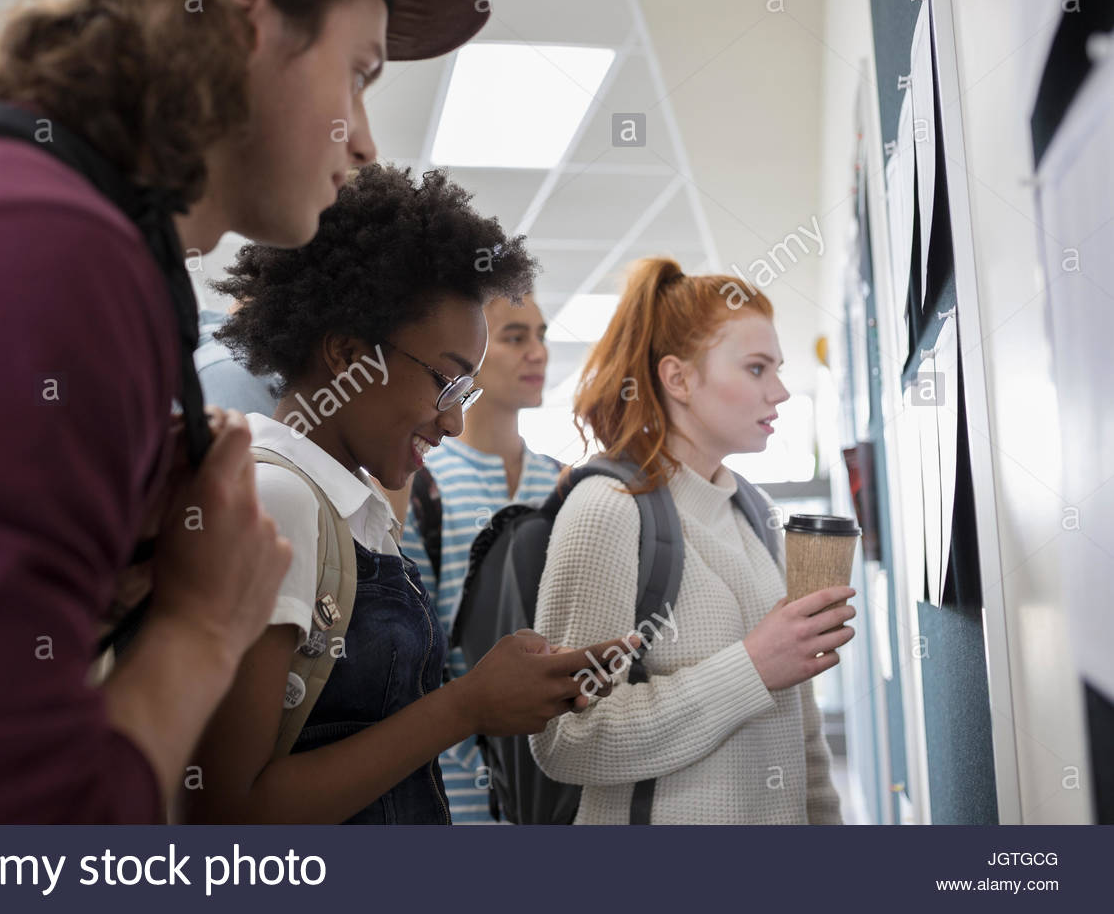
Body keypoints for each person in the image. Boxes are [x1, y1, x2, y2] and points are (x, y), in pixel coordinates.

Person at [0, 0, 487, 822]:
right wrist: (201, 627)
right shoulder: (46, 251)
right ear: (246, 2)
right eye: (357, 75)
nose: (363, 140)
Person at [184, 164, 634, 823]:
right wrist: (466, 707)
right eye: (445, 383)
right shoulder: (277, 499)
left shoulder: (352, 509)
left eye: (466, 394)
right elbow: (231, 809)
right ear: (346, 353)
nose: (453, 420)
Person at [530, 257, 852, 824]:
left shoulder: (756, 512)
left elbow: (800, 729)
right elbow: (565, 739)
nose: (778, 391)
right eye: (756, 369)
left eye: (777, 368)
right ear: (678, 378)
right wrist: (751, 667)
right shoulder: (607, 511)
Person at [400, 292, 563, 822]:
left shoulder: (569, 484)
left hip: (564, 790)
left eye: (541, 335)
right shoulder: (421, 486)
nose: (537, 352)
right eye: (516, 337)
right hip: (457, 800)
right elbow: (414, 668)